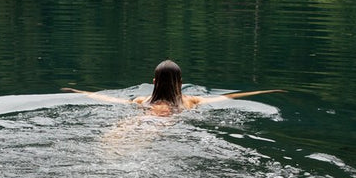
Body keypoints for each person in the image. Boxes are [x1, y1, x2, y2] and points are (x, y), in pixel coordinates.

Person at [63, 60, 282, 116]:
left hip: (145, 117)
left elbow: (111, 100)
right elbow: (229, 97)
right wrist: (265, 92)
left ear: (154, 82)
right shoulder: (191, 101)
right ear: (180, 82)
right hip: (171, 122)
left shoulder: (141, 101)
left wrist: (80, 93)